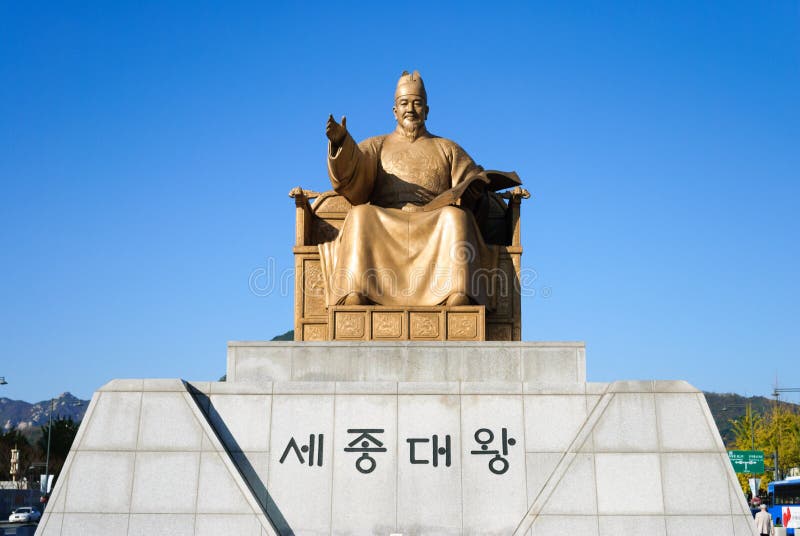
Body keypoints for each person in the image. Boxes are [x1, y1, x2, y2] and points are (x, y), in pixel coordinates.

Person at [320, 70, 498, 308]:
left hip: (433, 220)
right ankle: (357, 291)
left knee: (456, 217)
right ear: (394, 111)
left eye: (417, 103)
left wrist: (476, 193)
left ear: (427, 110)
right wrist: (341, 143)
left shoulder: (447, 148)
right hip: (385, 220)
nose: (410, 109)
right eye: (404, 103)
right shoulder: (377, 145)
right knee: (361, 214)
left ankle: (457, 292)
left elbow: (470, 182)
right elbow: (353, 179)